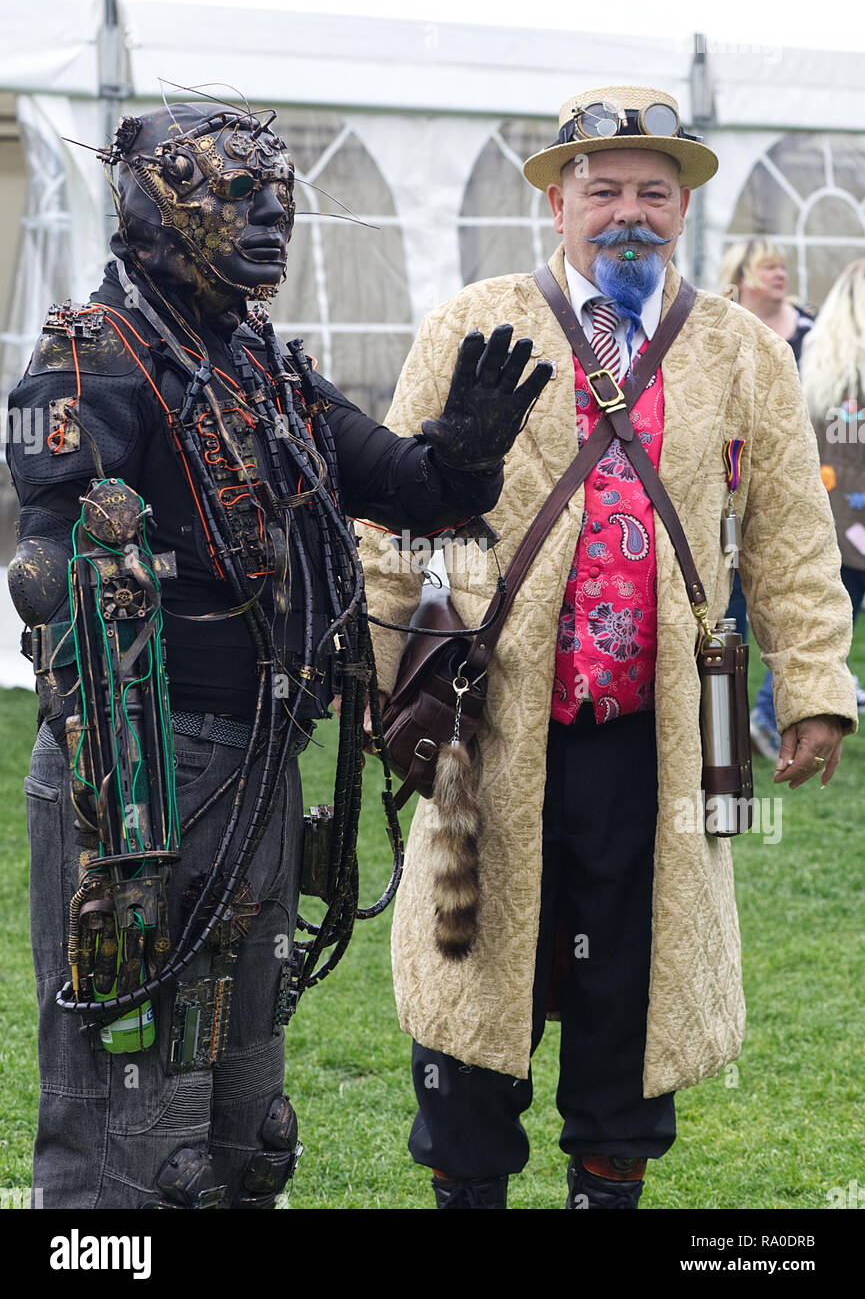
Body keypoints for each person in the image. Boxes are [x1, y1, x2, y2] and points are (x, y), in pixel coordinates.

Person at [4, 100, 550, 1210]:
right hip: (146, 781)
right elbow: (54, 573)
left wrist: (464, 453)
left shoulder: (260, 363)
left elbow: (405, 484)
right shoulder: (93, 357)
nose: (267, 220)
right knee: (136, 1124)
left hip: (261, 763)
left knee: (248, 1123)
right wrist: (128, 796)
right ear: (152, 209)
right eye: (231, 196)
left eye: (278, 199)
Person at [358, 85, 857, 1209]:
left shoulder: (740, 352)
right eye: (604, 190)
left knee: (629, 997)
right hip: (485, 727)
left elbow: (789, 535)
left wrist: (815, 683)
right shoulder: (470, 323)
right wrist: (381, 678)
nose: (628, 213)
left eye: (653, 192)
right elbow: (385, 512)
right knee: (468, 966)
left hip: (658, 737)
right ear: (557, 202)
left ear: (682, 209)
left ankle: (607, 1190)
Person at [717, 240, 818, 754]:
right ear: (743, 276)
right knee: (725, 612)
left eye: (783, 266)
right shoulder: (720, 330)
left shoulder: (810, 330)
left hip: (796, 472)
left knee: (792, 591)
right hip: (728, 489)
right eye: (769, 267)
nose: (780, 275)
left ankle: (774, 708)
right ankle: (721, 723)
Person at [800, 257, 865, 674]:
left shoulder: (823, 355)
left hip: (830, 506)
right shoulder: (857, 370)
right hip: (855, 512)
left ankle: (773, 708)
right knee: (837, 617)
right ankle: (772, 710)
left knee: (825, 618)